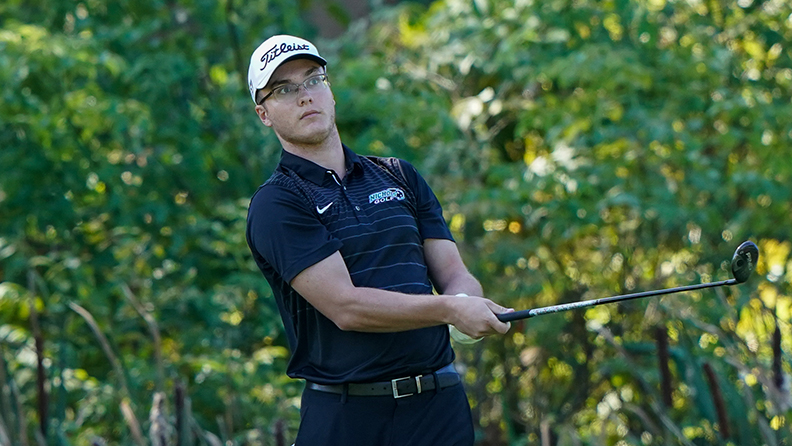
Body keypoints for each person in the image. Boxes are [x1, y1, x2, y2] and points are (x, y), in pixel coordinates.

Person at [244, 34, 512, 446]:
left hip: (439, 410)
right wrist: (450, 310)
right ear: (264, 113)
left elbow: (455, 274)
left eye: (314, 80)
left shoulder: (398, 175)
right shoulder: (277, 203)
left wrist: (465, 305)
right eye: (284, 89)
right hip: (348, 418)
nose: (305, 96)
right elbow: (346, 307)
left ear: (330, 90)